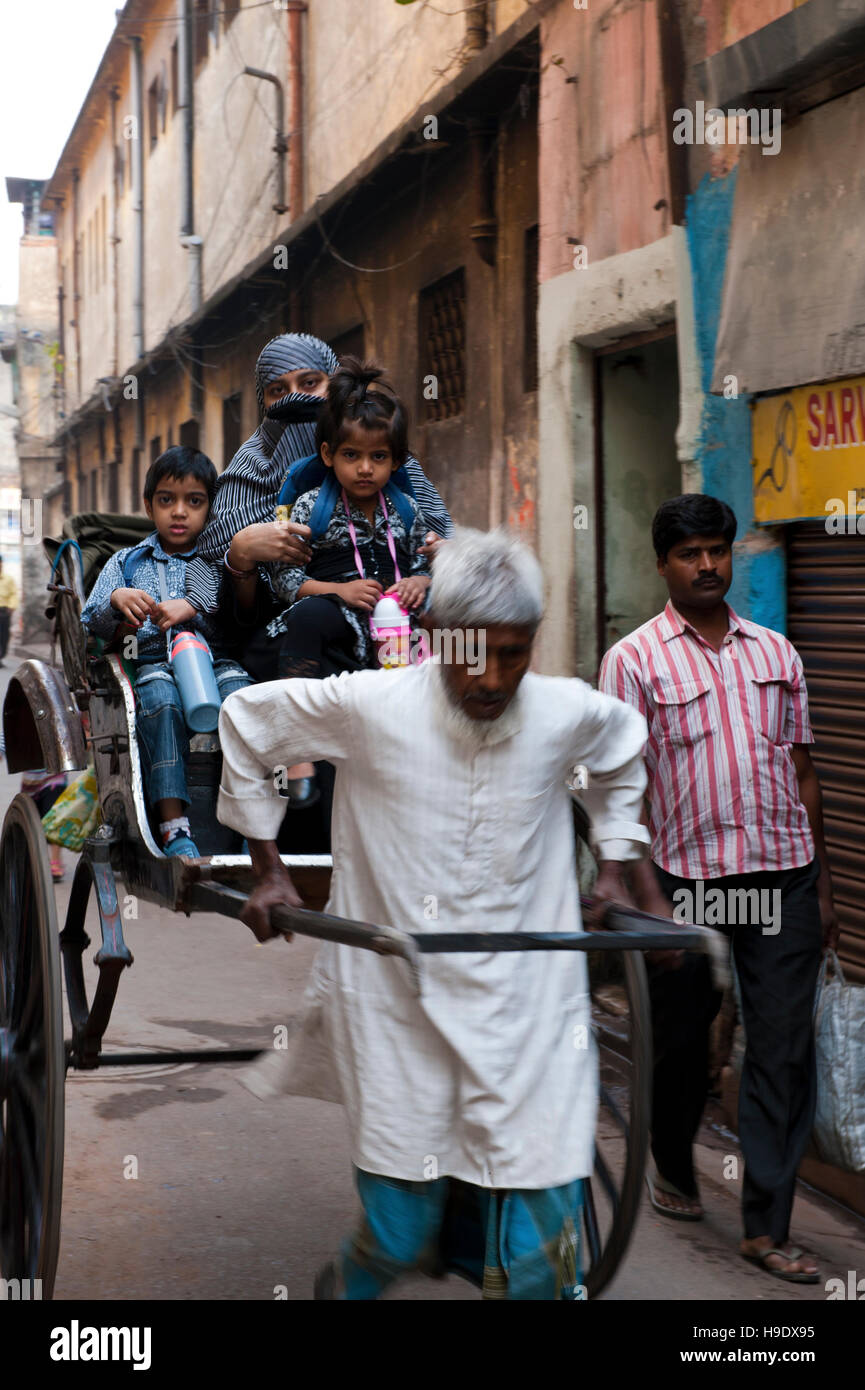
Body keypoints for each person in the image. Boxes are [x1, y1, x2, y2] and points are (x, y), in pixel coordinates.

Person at [216, 527, 651, 1300]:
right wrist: (268, 868)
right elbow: (248, 723)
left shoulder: (563, 713)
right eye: (470, 654)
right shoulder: (370, 704)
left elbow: (620, 753)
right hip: (397, 1008)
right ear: (433, 640)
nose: (490, 678)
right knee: (394, 1236)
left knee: (531, 1267)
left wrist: (614, 866)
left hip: (531, 1020)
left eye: (513, 654)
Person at [599, 493, 836, 1284]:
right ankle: (670, 1163)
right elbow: (617, 787)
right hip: (682, 882)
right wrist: (632, 889)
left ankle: (765, 1227)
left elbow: (802, 772)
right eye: (689, 554)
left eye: (716, 551)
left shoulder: (776, 653)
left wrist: (825, 885)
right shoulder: (632, 660)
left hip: (780, 876)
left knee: (781, 1048)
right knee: (676, 1042)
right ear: (662, 565)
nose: (706, 565)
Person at [184, 332, 452, 680]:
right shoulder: (247, 473)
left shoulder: (396, 475)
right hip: (290, 637)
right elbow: (223, 600)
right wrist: (242, 553)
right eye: (278, 390)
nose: (295, 397)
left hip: (398, 631)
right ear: (263, 402)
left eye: (310, 383)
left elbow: (437, 545)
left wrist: (437, 559)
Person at [81, 446, 251, 858]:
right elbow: (92, 621)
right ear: (148, 505)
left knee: (247, 700)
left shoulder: (222, 558)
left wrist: (195, 605)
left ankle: (250, 820)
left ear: (211, 506)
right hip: (155, 664)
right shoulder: (126, 560)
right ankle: (175, 824)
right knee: (159, 700)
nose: (179, 512)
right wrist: (117, 599)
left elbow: (241, 614)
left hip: (216, 662)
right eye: (166, 500)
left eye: (194, 501)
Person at [0, 554, 19, 665]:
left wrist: (11, 607)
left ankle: (1, 656)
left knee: (3, 635)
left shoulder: (8, 579)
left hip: (3, 611)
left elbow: (14, 594)